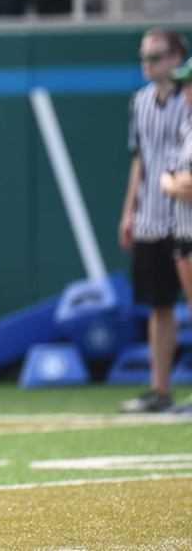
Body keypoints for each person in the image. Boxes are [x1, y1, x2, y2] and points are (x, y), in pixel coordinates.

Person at [118, 28, 190, 413]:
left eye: (155, 57)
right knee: (158, 305)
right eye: (144, 57)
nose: (147, 64)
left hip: (185, 219)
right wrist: (129, 210)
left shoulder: (188, 102)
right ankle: (159, 390)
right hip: (150, 217)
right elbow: (140, 160)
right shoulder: (140, 102)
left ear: (176, 59)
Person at [159, 58, 192, 414]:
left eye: (188, 83)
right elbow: (166, 172)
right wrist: (175, 185)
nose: (184, 90)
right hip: (184, 232)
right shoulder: (187, 125)